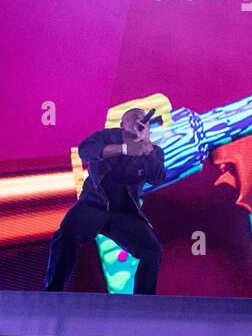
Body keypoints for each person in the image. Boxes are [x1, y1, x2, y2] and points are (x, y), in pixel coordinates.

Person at [45, 108, 167, 295]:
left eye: (144, 120)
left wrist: (146, 147)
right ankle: (52, 294)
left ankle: (144, 302)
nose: (139, 123)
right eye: (134, 119)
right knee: (66, 235)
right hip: (93, 205)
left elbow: (157, 177)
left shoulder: (153, 151)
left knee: (152, 250)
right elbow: (85, 151)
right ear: (122, 125)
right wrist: (126, 149)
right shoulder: (106, 136)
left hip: (125, 213)